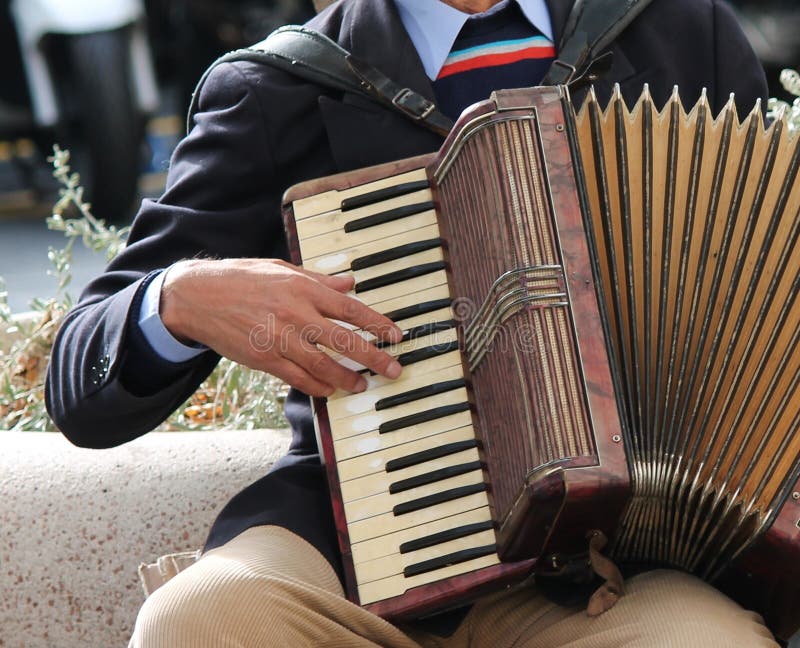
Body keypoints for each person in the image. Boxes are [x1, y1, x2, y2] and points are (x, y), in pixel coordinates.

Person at [46, 0, 778, 645]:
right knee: (197, 621)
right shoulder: (281, 87)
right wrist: (180, 297)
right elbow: (78, 382)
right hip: (353, 551)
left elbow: (769, 271)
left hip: (618, 558)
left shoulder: (684, 33)